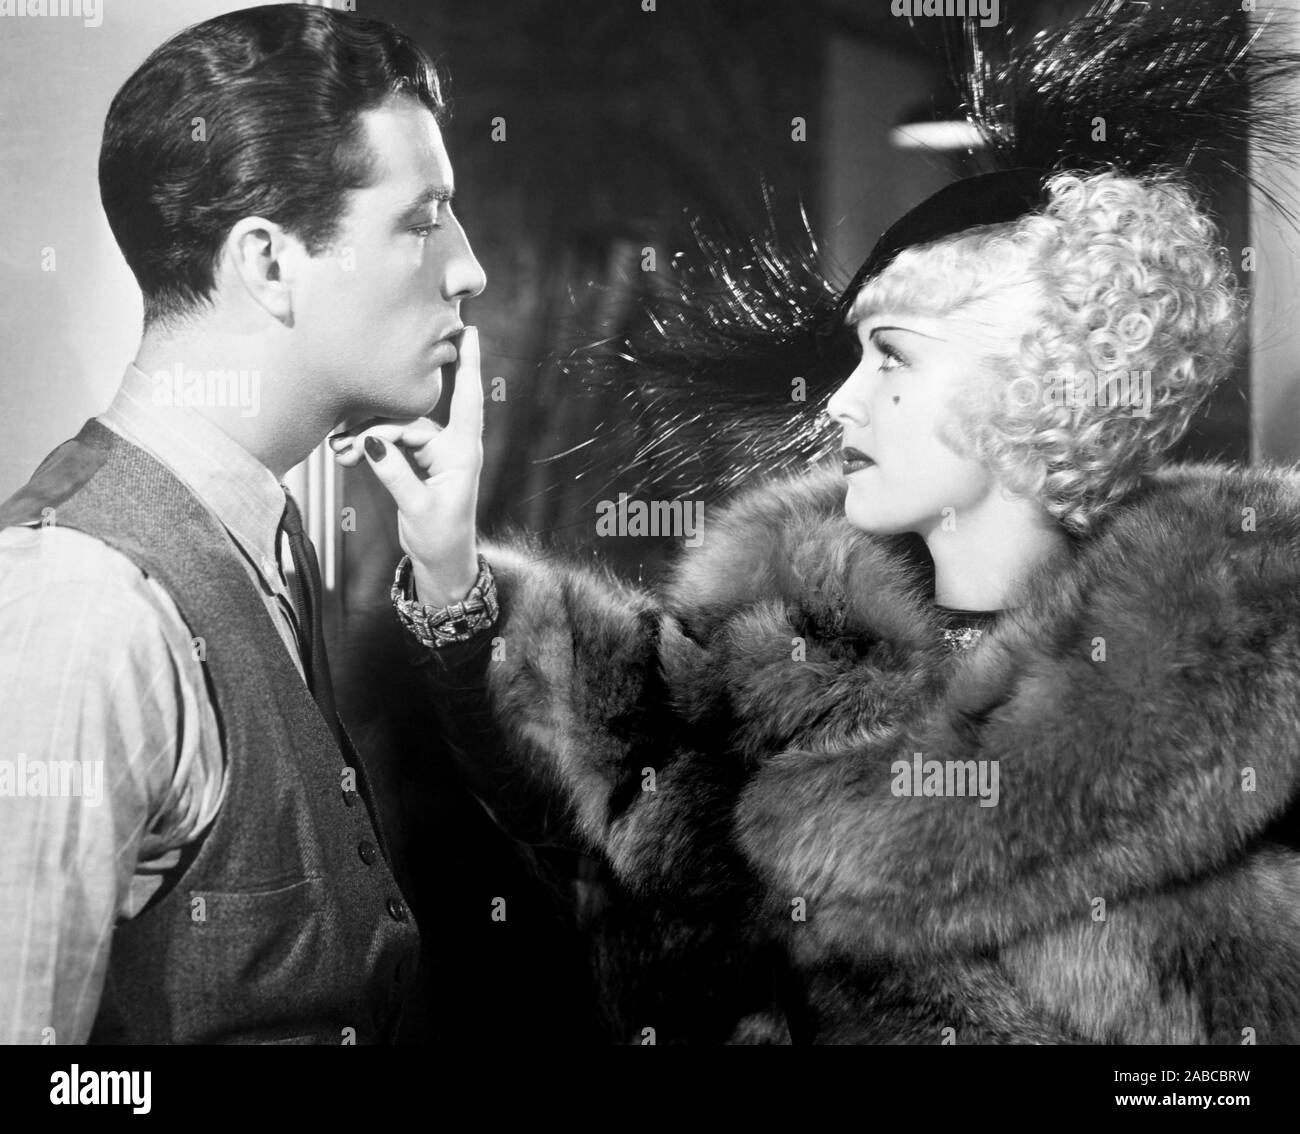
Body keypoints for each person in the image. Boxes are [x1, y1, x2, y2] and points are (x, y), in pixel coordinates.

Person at [337, 5, 1300, 1043]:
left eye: (893, 356)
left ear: (1038, 382)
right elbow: (586, 794)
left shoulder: (1231, 684)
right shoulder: (764, 653)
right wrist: (445, 559)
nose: (838, 405)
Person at [0, 4, 485, 1044]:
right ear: (268, 262)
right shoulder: (84, 605)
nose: (467, 267)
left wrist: (452, 576)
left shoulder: (263, 533)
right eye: (420, 218)